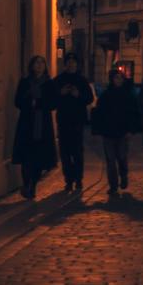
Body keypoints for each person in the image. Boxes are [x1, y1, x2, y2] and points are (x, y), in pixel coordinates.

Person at [91, 66, 143, 196]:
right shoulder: (106, 95)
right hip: (108, 132)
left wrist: (131, 130)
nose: (118, 80)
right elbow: (99, 113)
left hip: (123, 132)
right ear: (112, 80)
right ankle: (113, 185)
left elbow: (134, 114)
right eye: (115, 78)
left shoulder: (128, 96)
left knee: (121, 157)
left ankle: (123, 176)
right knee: (110, 159)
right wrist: (99, 130)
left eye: (120, 78)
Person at [11, 56, 57, 199]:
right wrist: (28, 102)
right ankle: (26, 183)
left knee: (39, 157)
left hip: (42, 124)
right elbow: (17, 101)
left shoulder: (49, 84)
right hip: (27, 123)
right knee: (26, 157)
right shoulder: (25, 83)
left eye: (42, 63)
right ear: (31, 66)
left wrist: (39, 103)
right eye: (37, 63)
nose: (39, 66)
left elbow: (53, 103)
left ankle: (33, 184)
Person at [53, 52, 94, 193]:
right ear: (65, 64)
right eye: (69, 62)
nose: (71, 65)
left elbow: (89, 98)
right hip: (63, 119)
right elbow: (52, 101)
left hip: (77, 120)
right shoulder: (58, 80)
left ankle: (78, 179)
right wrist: (60, 93)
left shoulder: (82, 80)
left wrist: (78, 95)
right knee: (65, 152)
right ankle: (68, 180)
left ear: (77, 65)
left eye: (73, 62)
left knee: (77, 151)